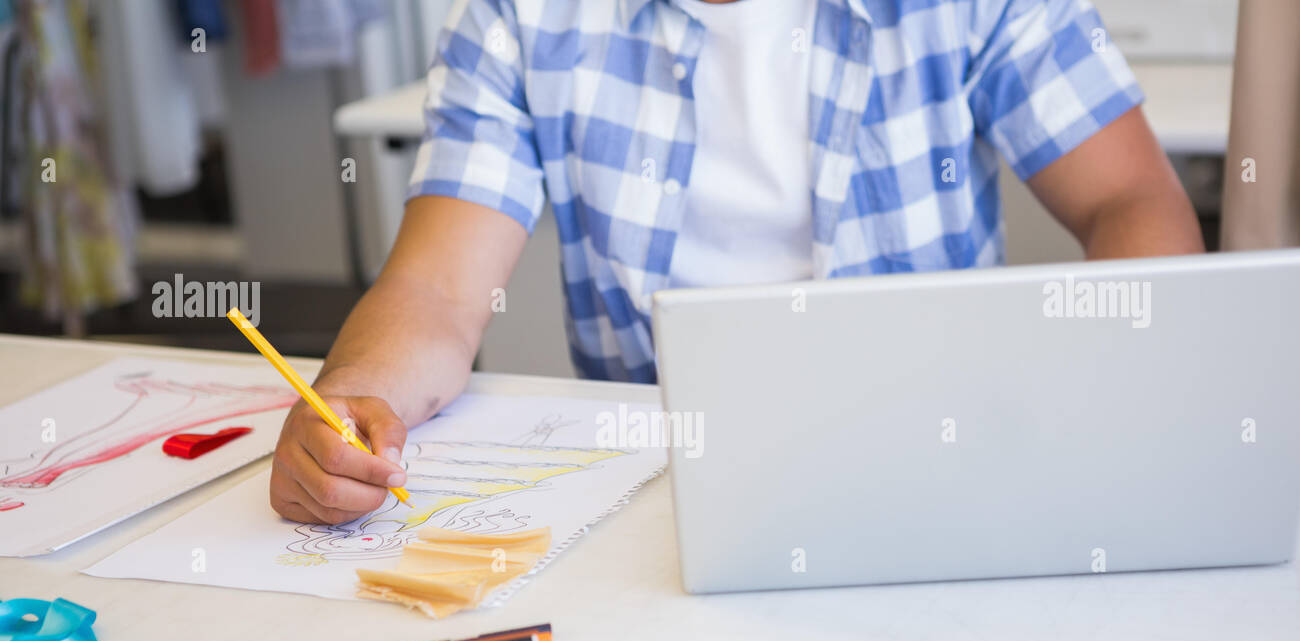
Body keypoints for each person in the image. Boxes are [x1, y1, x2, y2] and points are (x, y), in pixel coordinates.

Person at [270, 0, 1204, 525]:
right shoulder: (521, 19)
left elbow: (1133, 205)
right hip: (677, 497)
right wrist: (352, 400)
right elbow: (436, 291)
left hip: (954, 466)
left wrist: (1090, 402)